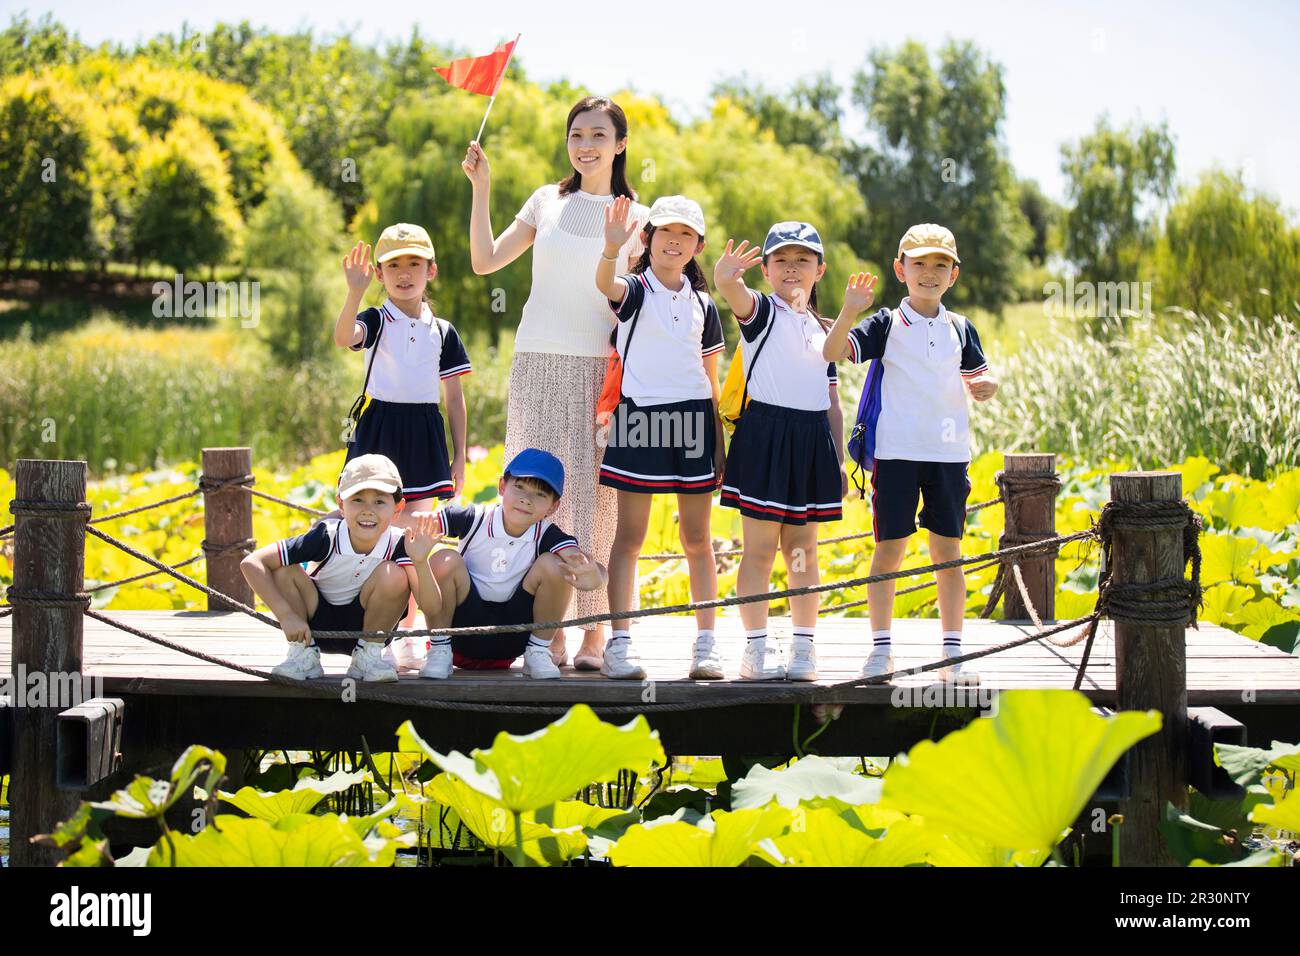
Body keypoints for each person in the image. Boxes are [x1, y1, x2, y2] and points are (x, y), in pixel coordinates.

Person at [462, 95, 648, 671]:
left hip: (600, 369)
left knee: (596, 502)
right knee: (534, 494)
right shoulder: (547, 200)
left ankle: (594, 635)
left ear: (619, 144)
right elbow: (485, 260)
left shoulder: (637, 219)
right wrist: (482, 187)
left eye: (597, 134)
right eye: (576, 134)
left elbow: (643, 304)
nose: (585, 144)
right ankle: (547, 633)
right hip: (538, 360)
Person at [822, 223, 998, 683]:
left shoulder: (962, 328)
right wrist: (848, 311)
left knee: (949, 554)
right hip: (896, 457)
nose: (929, 272)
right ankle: (881, 651)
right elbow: (833, 351)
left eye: (940, 264)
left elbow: (979, 377)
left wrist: (987, 386)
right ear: (901, 270)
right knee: (889, 552)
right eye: (919, 263)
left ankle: (953, 656)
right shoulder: (884, 323)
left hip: (948, 456)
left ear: (953, 275)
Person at [595, 195, 726, 680]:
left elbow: (711, 379)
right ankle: (620, 644)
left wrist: (718, 441)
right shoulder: (632, 288)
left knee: (698, 539)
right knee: (629, 537)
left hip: (692, 421)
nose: (675, 241)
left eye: (686, 234)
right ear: (647, 238)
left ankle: (706, 644)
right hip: (638, 419)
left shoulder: (704, 305)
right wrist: (610, 249)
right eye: (665, 232)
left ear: (698, 244)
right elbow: (605, 283)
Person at [712, 222, 847, 681]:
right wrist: (727, 275)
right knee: (759, 551)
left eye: (803, 260)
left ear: (820, 270)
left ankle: (804, 648)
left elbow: (832, 401)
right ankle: (755, 650)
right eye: (782, 261)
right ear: (767, 271)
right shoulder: (763, 312)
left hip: (811, 442)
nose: (793, 268)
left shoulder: (825, 330)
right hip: (764, 436)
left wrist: (840, 458)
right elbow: (732, 290)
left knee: (803, 552)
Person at [333, 222, 472, 662]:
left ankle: (411, 630)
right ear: (379, 273)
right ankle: (376, 630)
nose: (405, 272)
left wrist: (460, 456)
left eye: (414, 263)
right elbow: (342, 338)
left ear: (431, 270)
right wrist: (353, 294)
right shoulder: (377, 319)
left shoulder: (444, 331)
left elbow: (454, 398)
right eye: (394, 264)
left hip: (425, 433)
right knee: (373, 530)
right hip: (380, 430)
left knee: (416, 534)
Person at [414, 449, 608, 680]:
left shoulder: (547, 535)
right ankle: (439, 650)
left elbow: (582, 561)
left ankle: (538, 652)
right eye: (520, 488)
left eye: (540, 494)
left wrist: (596, 577)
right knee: (444, 558)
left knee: (554, 565)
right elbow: (417, 527)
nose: (526, 499)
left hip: (515, 636)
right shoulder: (473, 518)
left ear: (553, 507)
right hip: (460, 633)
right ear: (502, 487)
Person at [240, 455, 436, 683]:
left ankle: (368, 658)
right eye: (358, 499)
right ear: (341, 504)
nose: (368, 510)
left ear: (398, 508)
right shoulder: (325, 536)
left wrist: (421, 562)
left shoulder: (400, 544)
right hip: (312, 627)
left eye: (380, 501)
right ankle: (303, 656)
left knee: (396, 575)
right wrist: (286, 616)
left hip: (369, 630)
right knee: (284, 568)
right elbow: (252, 563)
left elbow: (431, 607)